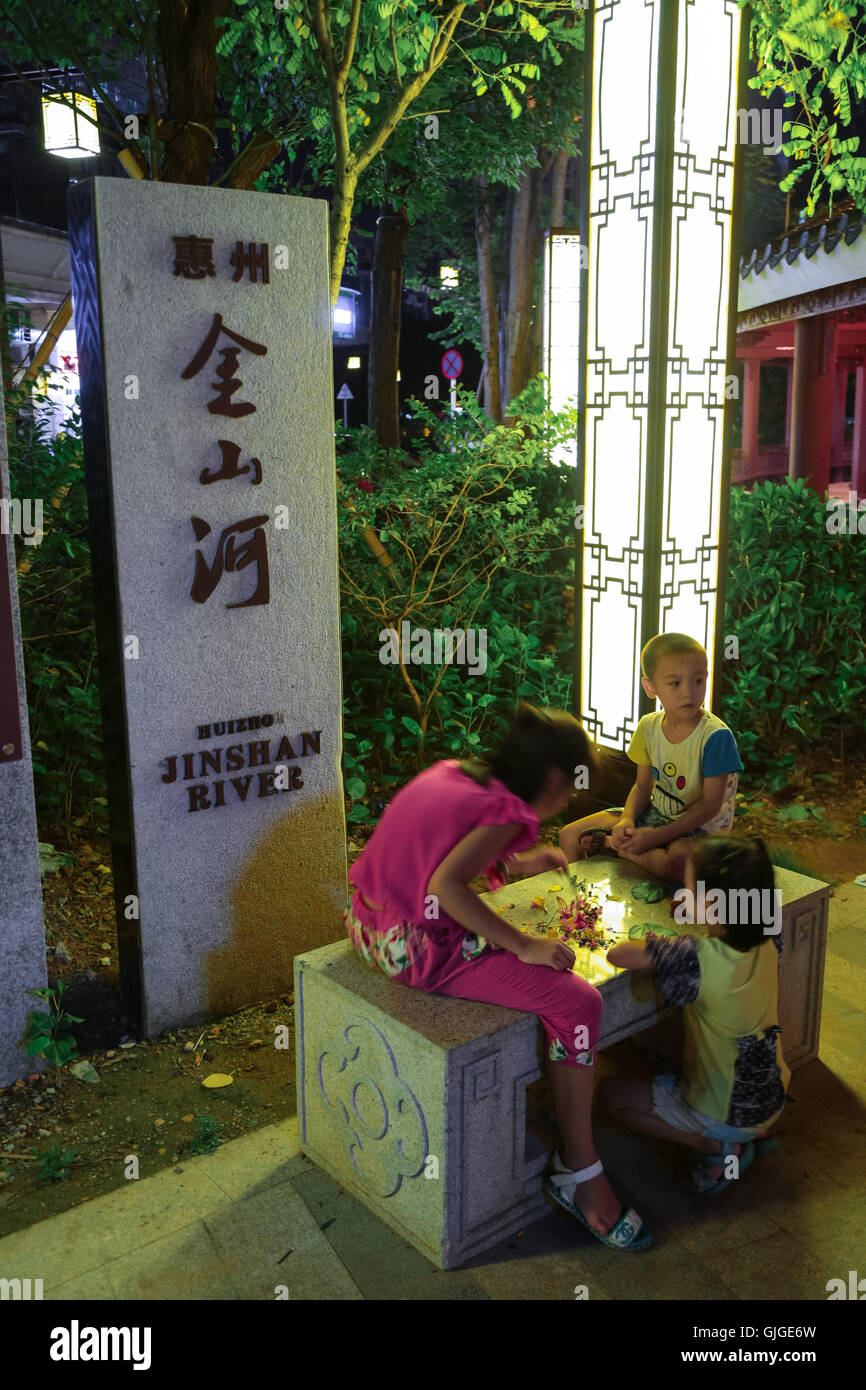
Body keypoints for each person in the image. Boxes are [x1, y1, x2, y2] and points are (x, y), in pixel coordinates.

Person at [345, 704, 653, 1251]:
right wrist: (523, 944)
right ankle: (577, 1169)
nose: (566, 803)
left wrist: (521, 862)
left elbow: (447, 848)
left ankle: (568, 1138)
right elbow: (445, 886)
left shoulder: (457, 773)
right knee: (579, 1004)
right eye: (570, 790)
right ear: (555, 779)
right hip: (410, 948)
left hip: (366, 921)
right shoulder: (510, 813)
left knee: (531, 940)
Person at [601, 836, 790, 1195]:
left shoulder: (697, 958)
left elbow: (619, 954)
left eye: (689, 887)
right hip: (770, 1093)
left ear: (713, 905)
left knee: (612, 1094)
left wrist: (667, 944)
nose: (683, 892)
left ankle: (719, 1150)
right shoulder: (768, 934)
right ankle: (754, 1131)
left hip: (724, 1111)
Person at [560, 632, 743, 883]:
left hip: (700, 830)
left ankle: (620, 850)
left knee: (679, 865)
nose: (688, 692)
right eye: (675, 683)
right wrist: (628, 819)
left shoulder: (716, 737)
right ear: (651, 687)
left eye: (698, 680)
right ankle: (579, 910)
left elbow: (710, 808)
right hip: (656, 813)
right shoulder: (649, 726)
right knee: (570, 835)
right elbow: (643, 786)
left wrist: (653, 837)